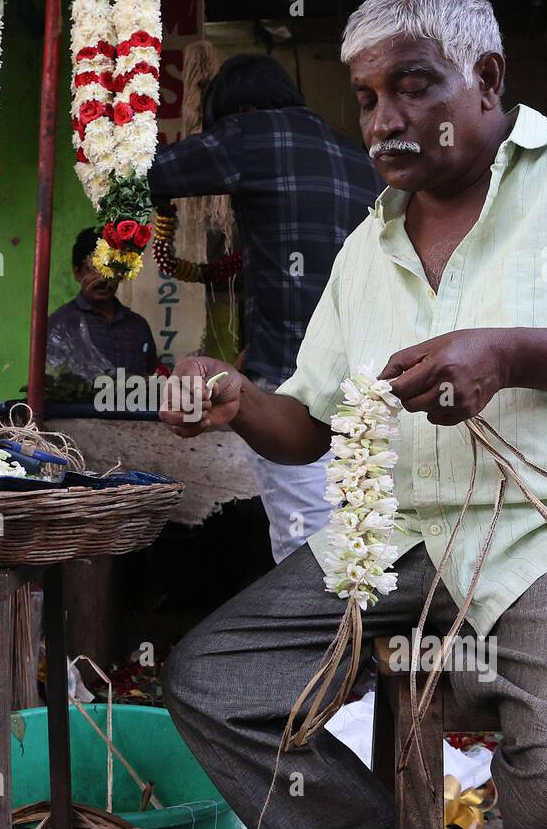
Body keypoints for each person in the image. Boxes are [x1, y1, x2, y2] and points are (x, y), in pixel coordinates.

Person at [158, 0, 547, 829]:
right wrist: (237, 395)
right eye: (366, 98)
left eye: (412, 87)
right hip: (410, 541)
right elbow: (310, 425)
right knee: (217, 681)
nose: (383, 121)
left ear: (487, 77)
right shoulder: (368, 246)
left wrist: (509, 354)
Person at [148, 54, 386, 563]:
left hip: (295, 401)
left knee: (311, 564)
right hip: (372, 399)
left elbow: (151, 172)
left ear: (237, 112)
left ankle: (324, 642)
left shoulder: (254, 135)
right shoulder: (355, 156)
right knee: (366, 552)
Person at [47, 227, 158, 377]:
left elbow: (151, 379)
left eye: (110, 270)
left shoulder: (138, 327)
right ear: (77, 272)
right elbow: (52, 384)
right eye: (94, 269)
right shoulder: (59, 325)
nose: (102, 279)